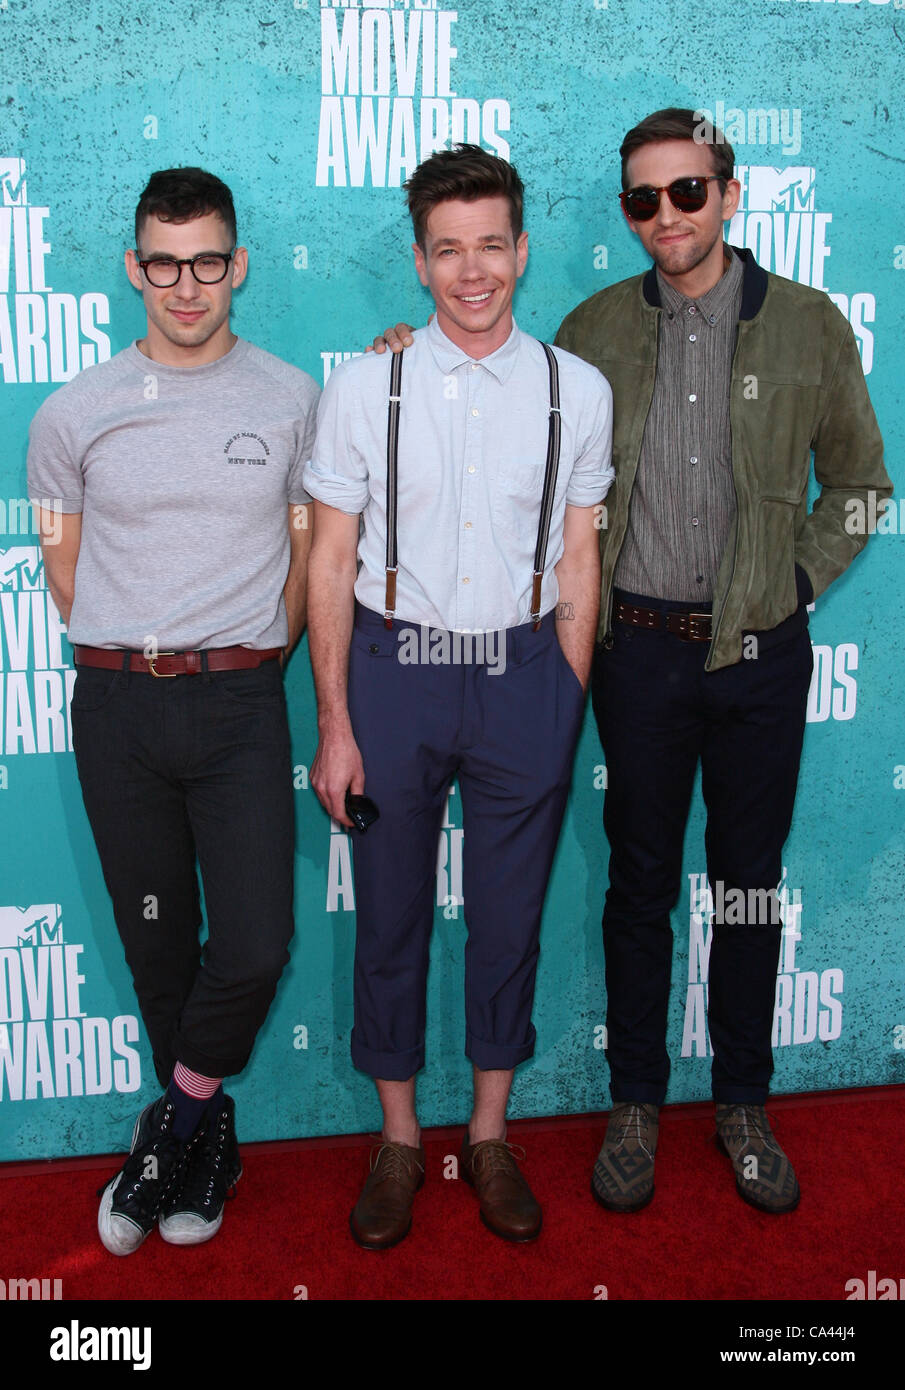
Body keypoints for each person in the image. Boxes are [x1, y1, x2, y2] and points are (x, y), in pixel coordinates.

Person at [374, 110, 890, 1216]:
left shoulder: (806, 327)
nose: (666, 216)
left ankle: (741, 1102)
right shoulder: (589, 332)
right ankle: (635, 1103)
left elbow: (856, 486)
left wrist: (787, 586)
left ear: (728, 193)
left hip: (759, 658)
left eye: (686, 192)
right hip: (637, 656)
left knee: (747, 887)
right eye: (642, 200)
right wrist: (395, 355)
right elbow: (494, 414)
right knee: (638, 888)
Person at [304, 144, 613, 1248]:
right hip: (396, 674)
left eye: (490, 244)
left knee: (508, 921)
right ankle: (397, 1141)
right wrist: (336, 721)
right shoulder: (364, 386)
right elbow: (328, 558)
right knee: (385, 916)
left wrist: (563, 688)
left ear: (520, 250)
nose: (471, 270)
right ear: (420, 261)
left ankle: (487, 1132)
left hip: (525, 675)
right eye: (448, 249)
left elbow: (579, 549)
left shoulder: (576, 391)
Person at [27, 167, 318, 1254]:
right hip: (116, 705)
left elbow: (305, 553)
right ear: (133, 267)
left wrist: (251, 654)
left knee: (252, 939)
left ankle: (168, 1128)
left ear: (236, 265)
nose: (185, 284)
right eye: (164, 261)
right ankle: (208, 1144)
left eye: (207, 261)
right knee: (158, 948)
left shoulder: (291, 397)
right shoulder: (75, 409)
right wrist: (133, 643)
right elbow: (64, 559)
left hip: (241, 702)